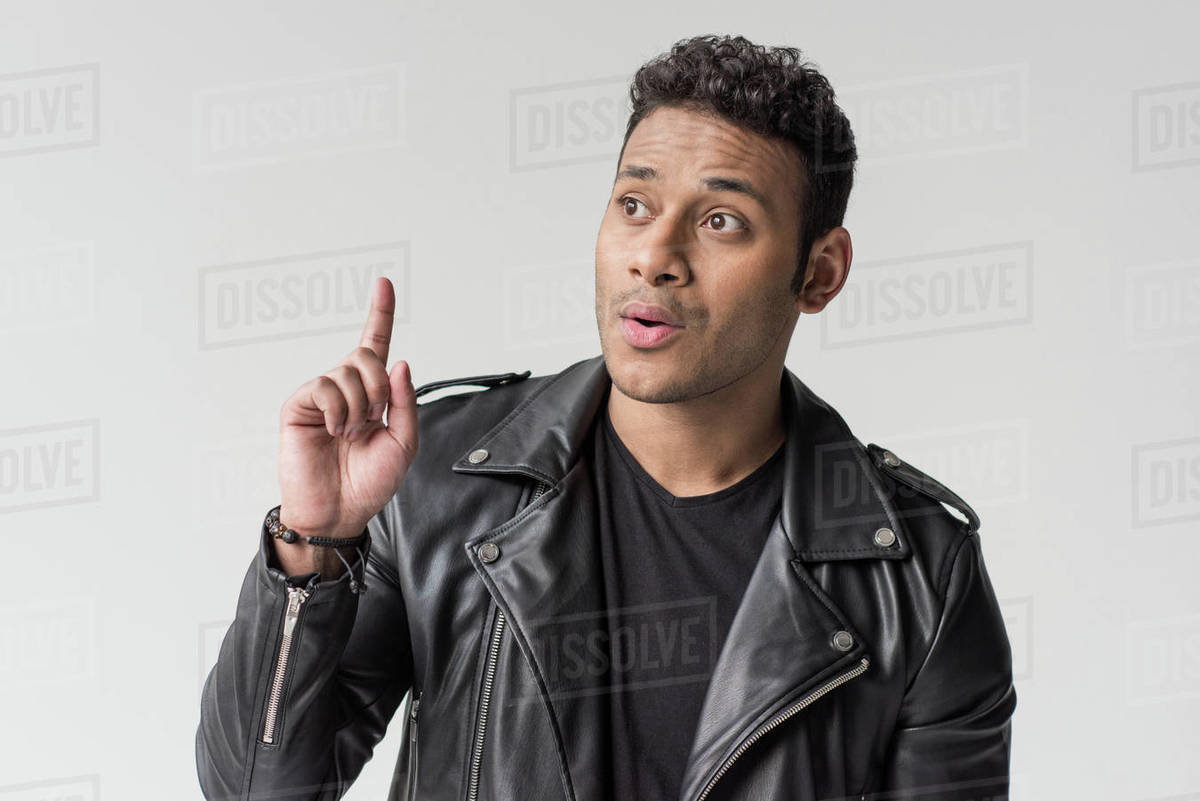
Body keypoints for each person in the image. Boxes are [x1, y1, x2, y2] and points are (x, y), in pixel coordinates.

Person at [196, 33, 1015, 801]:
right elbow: (255, 789)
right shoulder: (438, 483)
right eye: (634, 203)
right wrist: (313, 545)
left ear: (819, 271)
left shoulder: (919, 576)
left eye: (721, 221)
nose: (654, 256)